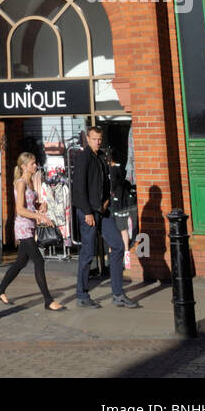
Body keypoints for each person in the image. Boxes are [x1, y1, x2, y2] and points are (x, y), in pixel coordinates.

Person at [72, 126, 138, 309]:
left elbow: (106, 182)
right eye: (94, 139)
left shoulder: (102, 156)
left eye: (100, 139)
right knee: (88, 253)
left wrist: (108, 199)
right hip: (89, 212)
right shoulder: (83, 158)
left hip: (103, 210)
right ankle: (82, 294)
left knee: (117, 245)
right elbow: (78, 188)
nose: (97, 142)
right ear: (88, 139)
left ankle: (118, 294)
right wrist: (86, 212)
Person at [0, 152, 64, 311]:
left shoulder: (30, 182)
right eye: (32, 163)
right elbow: (20, 210)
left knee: (21, 262)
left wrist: (40, 206)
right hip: (23, 227)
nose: (35, 165)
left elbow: (30, 204)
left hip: (30, 226)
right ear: (24, 166)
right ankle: (48, 300)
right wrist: (39, 216)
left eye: (35, 163)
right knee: (39, 261)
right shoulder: (21, 183)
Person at [109, 149, 133, 271]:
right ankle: (127, 256)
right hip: (124, 204)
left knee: (113, 231)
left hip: (116, 205)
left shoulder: (113, 171)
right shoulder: (123, 170)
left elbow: (112, 186)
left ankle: (112, 258)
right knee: (124, 230)